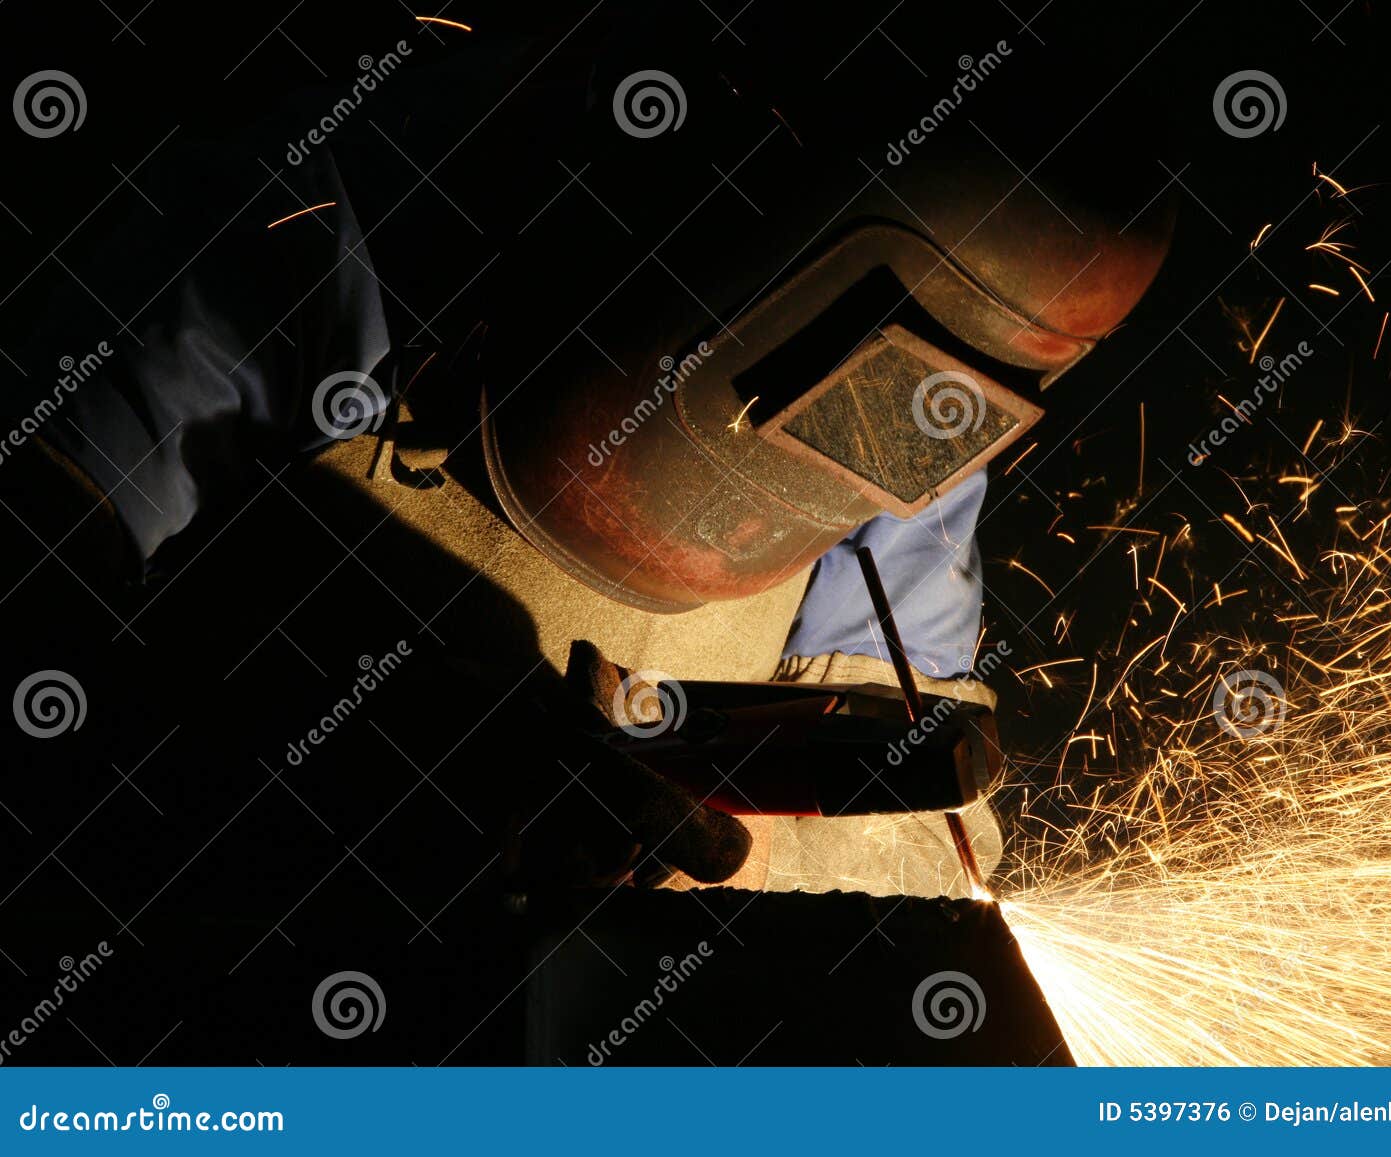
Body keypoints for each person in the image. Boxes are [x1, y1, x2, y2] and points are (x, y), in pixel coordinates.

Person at [0, 3, 1171, 1059]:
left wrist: (718, 846)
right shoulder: (298, 229)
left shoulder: (912, 417)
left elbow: (932, 851)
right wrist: (348, 747)